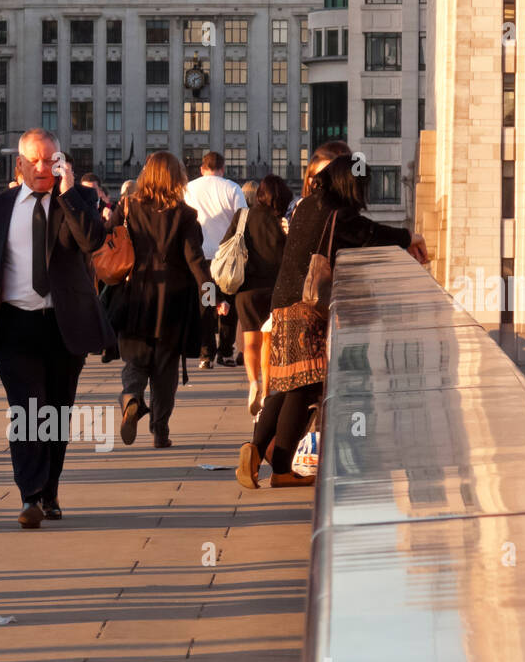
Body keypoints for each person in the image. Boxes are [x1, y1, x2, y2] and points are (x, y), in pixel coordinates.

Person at [237, 154, 427, 490]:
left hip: (282, 302)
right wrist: (409, 237)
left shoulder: (308, 205)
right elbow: (368, 234)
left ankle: (254, 448)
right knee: (307, 381)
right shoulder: (338, 213)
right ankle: (279, 466)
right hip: (306, 304)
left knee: (286, 382)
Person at [0, 128, 114, 527]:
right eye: (34, 160)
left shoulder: (76, 200)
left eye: (50, 159)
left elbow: (92, 241)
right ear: (19, 165)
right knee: (27, 409)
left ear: (61, 162)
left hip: (64, 326)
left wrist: (67, 193)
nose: (42, 167)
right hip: (16, 324)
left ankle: (50, 490)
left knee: (58, 412)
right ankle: (30, 494)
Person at [111, 152, 210, 450]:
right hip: (175, 299)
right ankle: (160, 431)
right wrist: (212, 295)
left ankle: (130, 396)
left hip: (137, 292)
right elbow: (196, 260)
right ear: (177, 178)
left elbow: (108, 238)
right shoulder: (186, 214)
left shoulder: (128, 206)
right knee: (166, 367)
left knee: (136, 357)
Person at [220, 174, 293, 416]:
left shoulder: (243, 216)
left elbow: (226, 245)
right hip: (276, 289)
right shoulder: (284, 220)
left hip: (247, 290)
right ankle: (266, 392)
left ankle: (253, 383)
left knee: (250, 341)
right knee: (269, 342)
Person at [183, 152, 246, 369]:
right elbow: (242, 219)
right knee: (228, 303)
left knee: (207, 303)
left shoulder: (189, 189)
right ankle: (226, 351)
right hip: (226, 257)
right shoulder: (232, 188)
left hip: (200, 257)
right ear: (223, 167)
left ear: (202, 168)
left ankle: (206, 353)